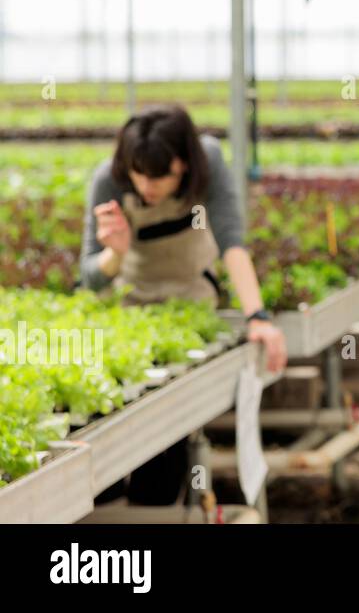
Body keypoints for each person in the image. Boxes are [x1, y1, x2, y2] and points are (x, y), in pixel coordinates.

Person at [80, 105, 287, 505]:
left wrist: (257, 317)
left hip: (189, 310)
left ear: (185, 164)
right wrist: (115, 254)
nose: (147, 186)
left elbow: (231, 240)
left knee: (166, 429)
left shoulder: (207, 161)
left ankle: (152, 505)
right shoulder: (108, 179)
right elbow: (90, 277)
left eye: (161, 176)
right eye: (139, 174)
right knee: (111, 419)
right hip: (130, 311)